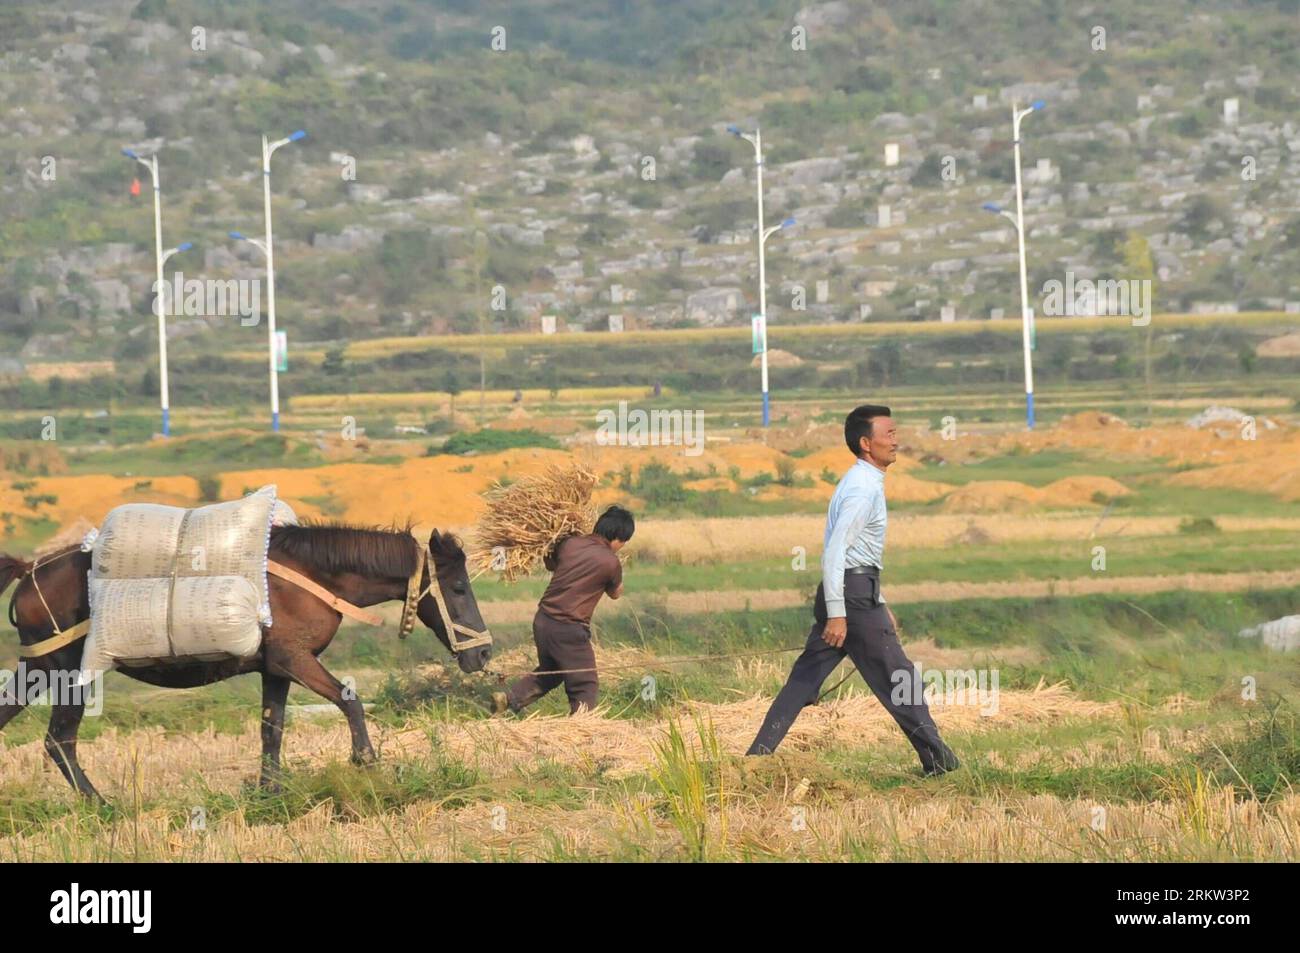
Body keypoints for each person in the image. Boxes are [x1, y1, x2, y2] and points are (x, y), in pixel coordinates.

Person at [746, 404, 960, 775]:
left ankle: (754, 761)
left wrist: (880, 600)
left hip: (858, 595)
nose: (896, 440)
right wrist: (839, 614)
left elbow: (856, 551)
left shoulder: (863, 481)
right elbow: (836, 552)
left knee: (803, 681)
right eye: (889, 434)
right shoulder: (862, 489)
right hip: (852, 598)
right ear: (866, 443)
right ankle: (942, 765)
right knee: (902, 681)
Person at [493, 505, 634, 715]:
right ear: (618, 538)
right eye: (623, 543)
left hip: (543, 621)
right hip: (569, 628)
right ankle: (581, 729)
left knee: (552, 673)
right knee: (585, 683)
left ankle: (508, 699)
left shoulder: (570, 543)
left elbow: (551, 563)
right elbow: (615, 594)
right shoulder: (610, 561)